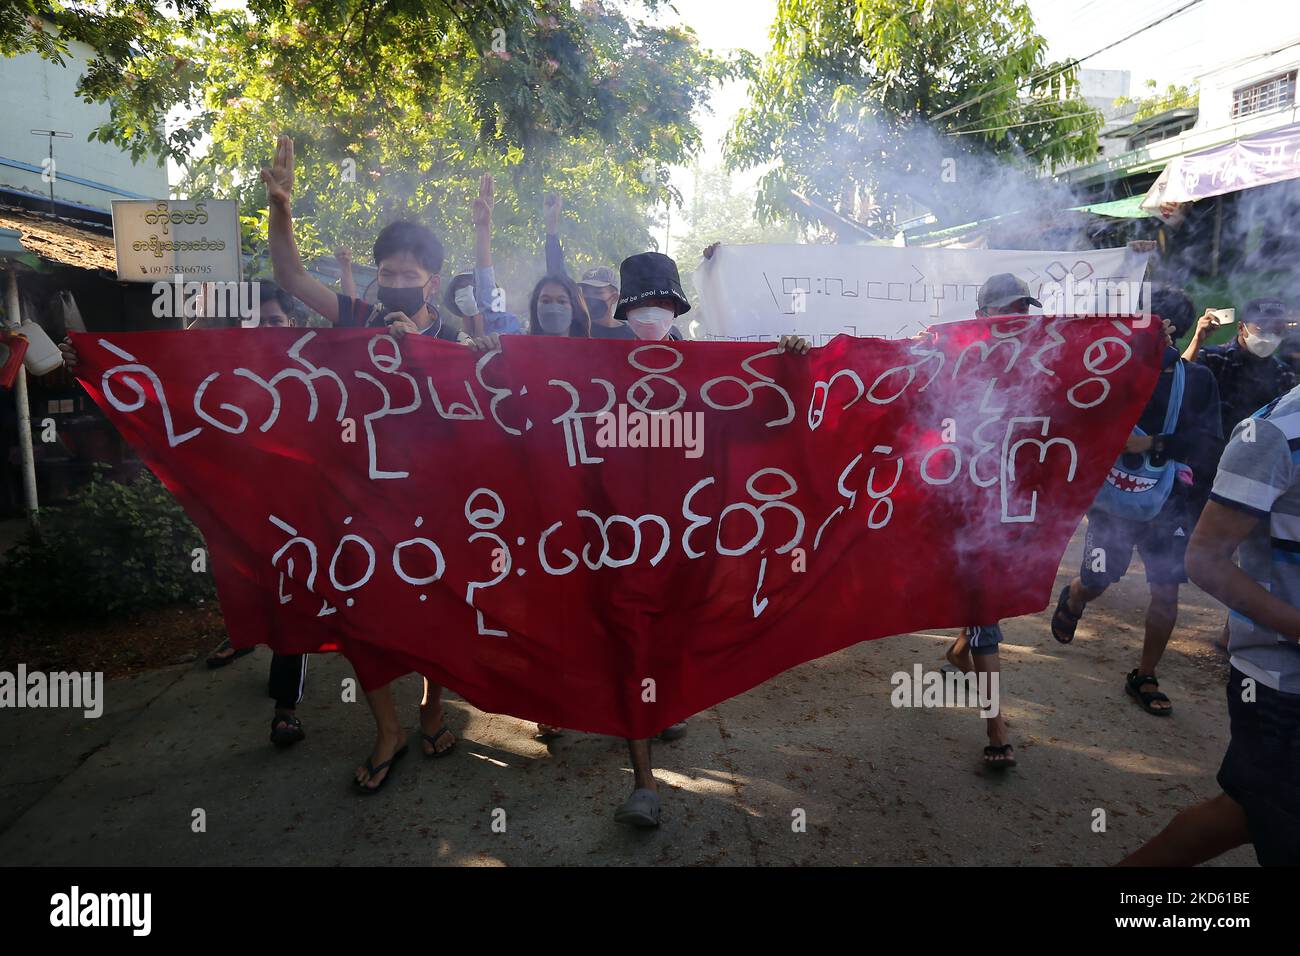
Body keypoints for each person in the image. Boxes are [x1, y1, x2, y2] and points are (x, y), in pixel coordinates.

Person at [262, 135, 462, 791]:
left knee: (441, 608)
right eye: (389, 271)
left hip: (435, 496)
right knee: (358, 608)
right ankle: (389, 729)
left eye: (410, 274)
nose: (398, 282)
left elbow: (480, 408)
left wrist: (422, 357)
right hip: (359, 493)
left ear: (432, 278)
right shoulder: (357, 313)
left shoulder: (454, 335)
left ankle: (431, 711)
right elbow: (291, 277)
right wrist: (281, 206)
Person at [61, 281, 312, 748]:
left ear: (294, 325)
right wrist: (88, 359)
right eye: (254, 321)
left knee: (290, 601)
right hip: (240, 509)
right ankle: (245, 636)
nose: (264, 330)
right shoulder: (221, 369)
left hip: (301, 512)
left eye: (276, 322)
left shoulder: (317, 366)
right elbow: (156, 374)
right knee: (251, 593)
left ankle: (285, 708)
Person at [609, 251, 809, 828]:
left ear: (675, 309)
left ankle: (662, 704)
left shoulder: (705, 367)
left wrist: (789, 363)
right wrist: (482, 356)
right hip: (614, 536)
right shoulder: (590, 366)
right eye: (641, 304)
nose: (651, 313)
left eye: (661, 304)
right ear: (623, 310)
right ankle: (643, 783)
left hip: (691, 534)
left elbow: (761, 416)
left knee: (672, 633)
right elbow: (531, 398)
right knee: (631, 641)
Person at [1120, 386, 1300, 866]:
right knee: (1254, 817)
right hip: (1284, 687)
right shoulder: (1275, 433)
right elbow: (1204, 560)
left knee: (1244, 815)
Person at [1050, 289, 1221, 718]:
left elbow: (1209, 442)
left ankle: (1145, 673)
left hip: (1170, 504)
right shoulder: (1112, 371)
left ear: (1176, 335)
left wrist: (1151, 442)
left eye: (1162, 331)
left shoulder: (1197, 380)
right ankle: (1073, 599)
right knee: (1098, 579)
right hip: (1113, 500)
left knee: (1166, 592)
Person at [942, 273, 1043, 770]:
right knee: (983, 604)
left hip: (1013, 504)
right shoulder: (950, 355)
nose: (1016, 319)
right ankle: (996, 727)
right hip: (960, 501)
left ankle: (963, 651)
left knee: (986, 604)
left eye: (1023, 309)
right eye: (1007, 309)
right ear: (981, 315)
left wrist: (1152, 336)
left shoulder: (1048, 357)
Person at [543, 194, 681, 340]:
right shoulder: (577, 330)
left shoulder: (632, 335)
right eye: (586, 292)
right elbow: (557, 279)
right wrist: (551, 230)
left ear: (614, 296)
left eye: (597, 292)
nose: (589, 297)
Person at [443, 174, 522, 339]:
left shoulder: (506, 327)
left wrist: (483, 228)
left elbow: (485, 280)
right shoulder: (449, 338)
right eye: (460, 287)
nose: (466, 290)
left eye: (472, 284)